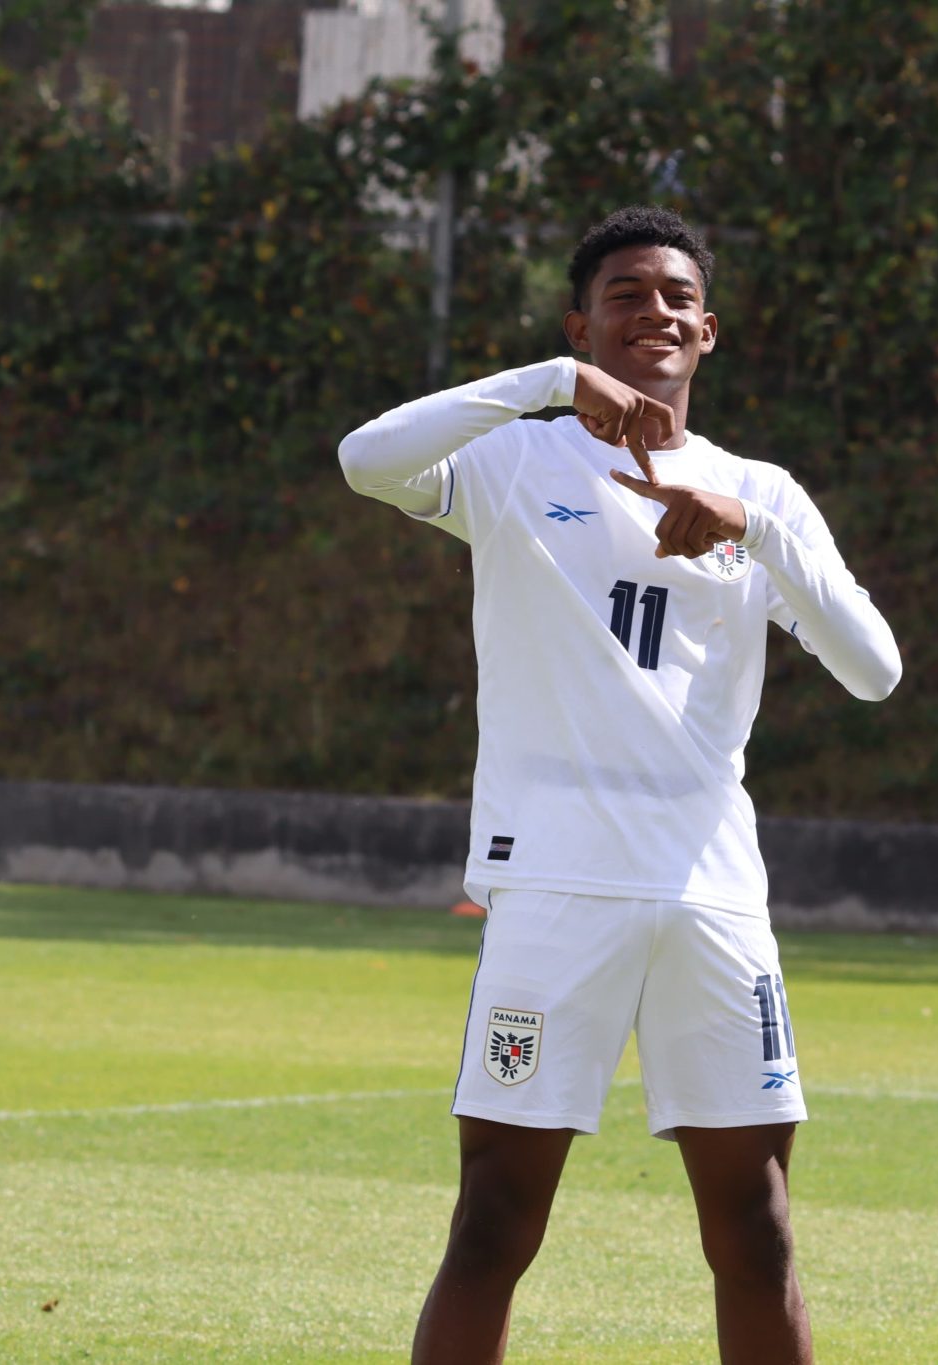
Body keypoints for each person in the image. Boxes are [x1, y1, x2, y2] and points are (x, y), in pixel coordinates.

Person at [338, 204, 901, 1365]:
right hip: (555, 888)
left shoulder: (760, 493)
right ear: (581, 324)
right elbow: (364, 459)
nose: (655, 313)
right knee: (493, 1222)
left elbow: (874, 671)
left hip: (712, 899)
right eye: (625, 296)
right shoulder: (514, 460)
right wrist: (548, 387)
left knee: (756, 1232)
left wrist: (754, 529)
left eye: (676, 297)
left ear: (710, 331)